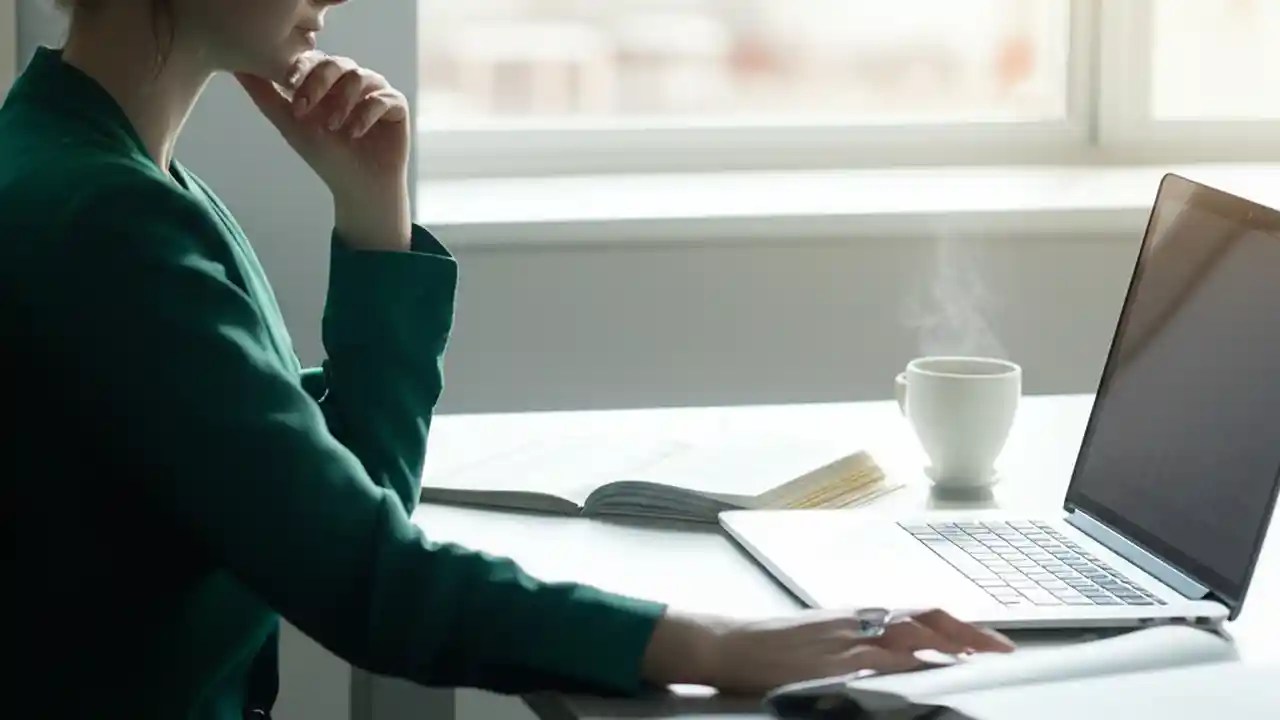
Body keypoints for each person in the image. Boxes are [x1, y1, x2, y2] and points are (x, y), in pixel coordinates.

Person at [0, 1, 1014, 718]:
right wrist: (709, 644)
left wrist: (373, 215)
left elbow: (344, 500)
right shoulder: (107, 222)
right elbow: (364, 577)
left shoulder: (112, 177)